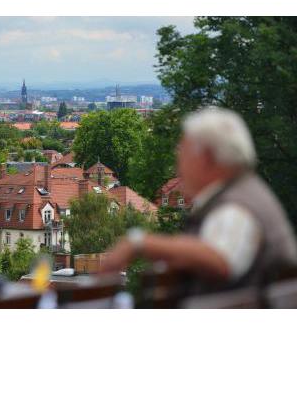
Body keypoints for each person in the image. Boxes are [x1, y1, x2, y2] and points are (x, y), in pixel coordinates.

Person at [101, 107, 297, 295]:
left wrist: (140, 243)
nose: (178, 166)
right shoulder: (249, 192)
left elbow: (222, 260)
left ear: (206, 157)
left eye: (183, 154)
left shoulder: (236, 206)